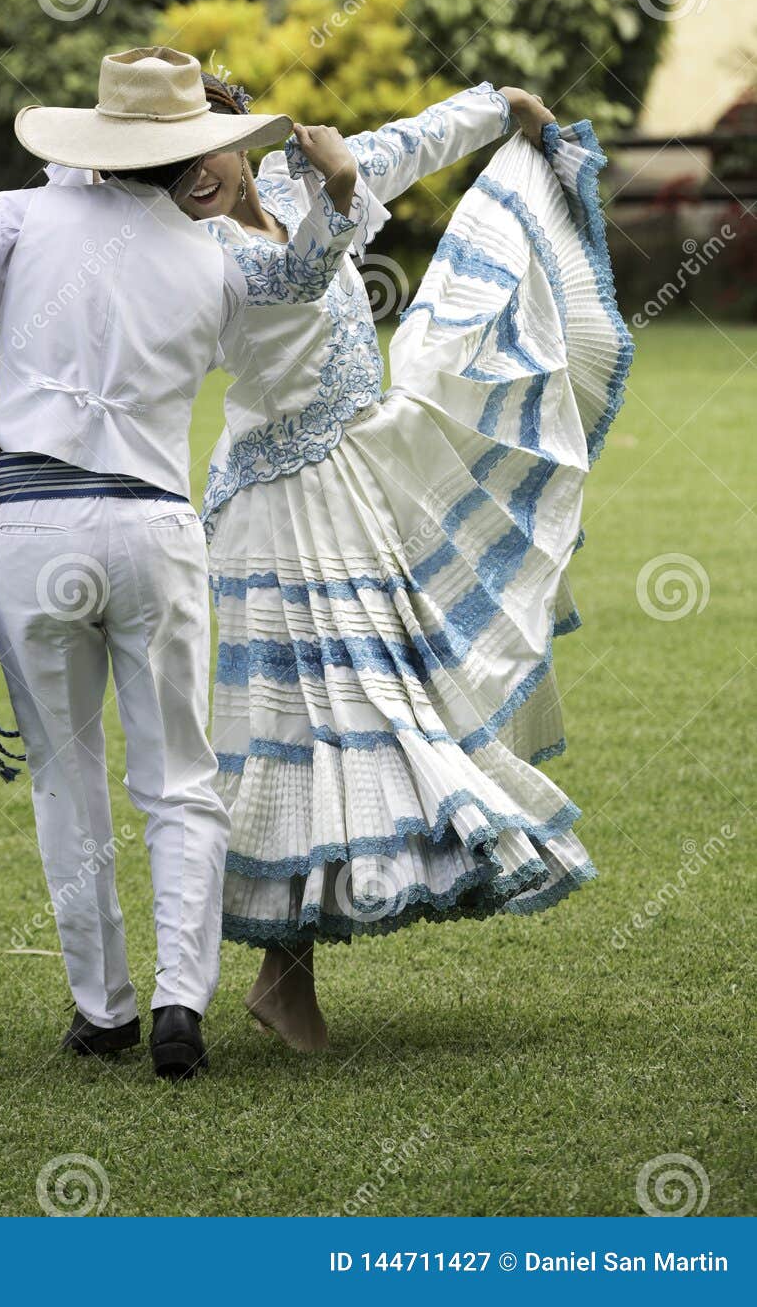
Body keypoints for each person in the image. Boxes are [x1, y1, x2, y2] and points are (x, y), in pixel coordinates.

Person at [0, 45, 367, 1079]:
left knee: (65, 778)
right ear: (189, 147)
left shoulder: (19, 217)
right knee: (180, 777)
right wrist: (341, 193)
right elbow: (310, 276)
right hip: (155, 533)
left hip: (33, 527)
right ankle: (184, 1000)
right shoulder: (216, 251)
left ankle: (105, 1008)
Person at [171, 73, 632, 1050]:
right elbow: (288, 280)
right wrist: (338, 200)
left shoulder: (301, 180)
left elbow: (403, 148)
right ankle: (280, 974)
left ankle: (289, 969)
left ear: (245, 137)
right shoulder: (195, 251)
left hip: (352, 475)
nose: (189, 175)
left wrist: (501, 106)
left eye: (201, 148)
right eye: (163, 165)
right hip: (277, 505)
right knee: (312, 724)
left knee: (380, 704)